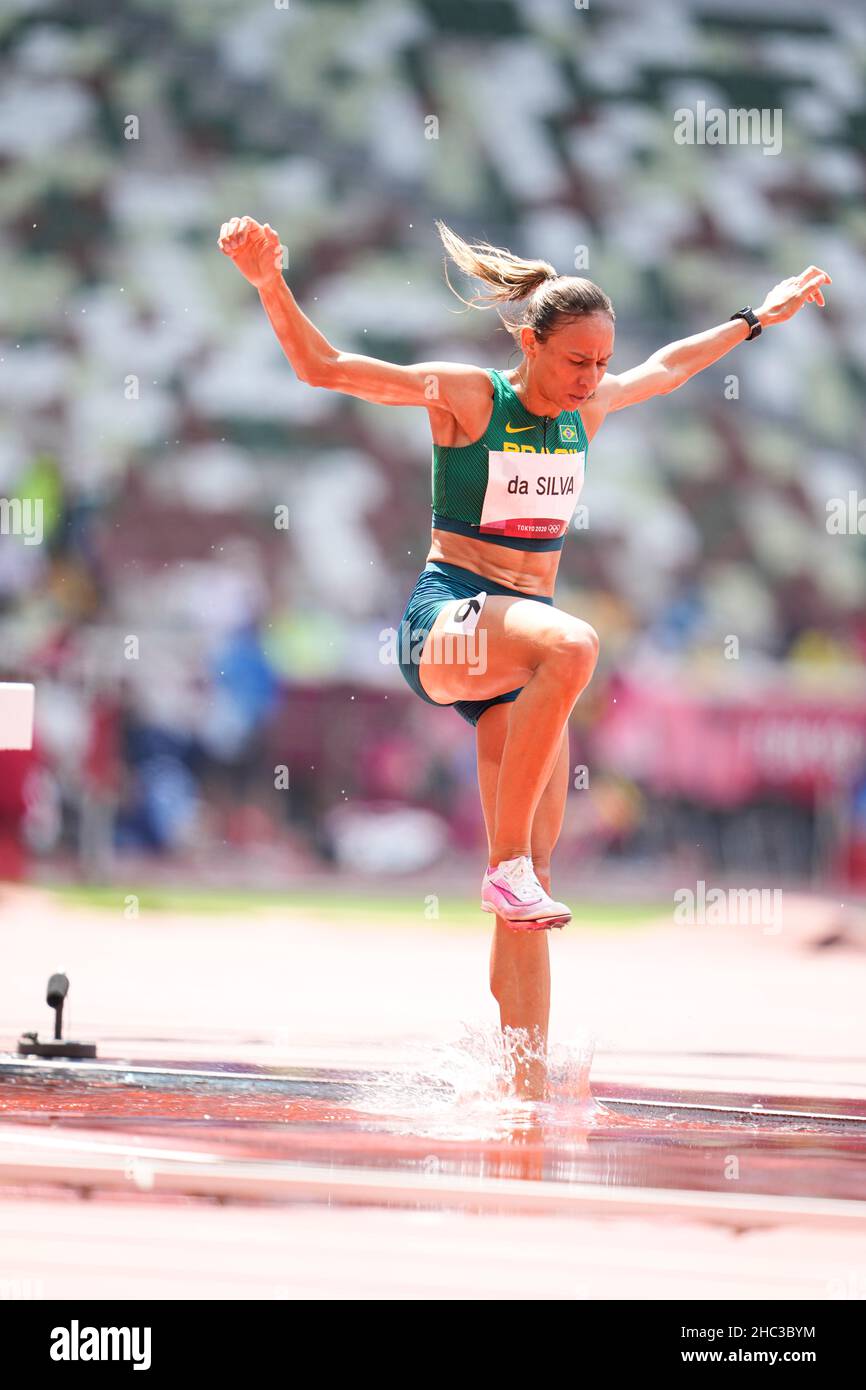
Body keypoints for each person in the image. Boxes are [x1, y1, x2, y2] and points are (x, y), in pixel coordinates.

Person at [218, 214, 830, 1091]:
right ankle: (503, 869)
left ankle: (524, 1084)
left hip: (517, 652)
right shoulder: (471, 397)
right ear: (528, 341)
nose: (592, 378)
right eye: (577, 360)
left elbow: (670, 367)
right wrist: (268, 281)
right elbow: (326, 370)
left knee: (539, 886)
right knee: (577, 646)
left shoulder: (593, 405)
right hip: (448, 624)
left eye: (600, 361)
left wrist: (758, 316)